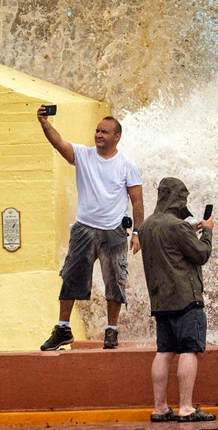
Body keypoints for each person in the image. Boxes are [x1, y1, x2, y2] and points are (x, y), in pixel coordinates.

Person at [38, 108, 144, 351]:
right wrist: (44, 123)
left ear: (117, 137)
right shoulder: (83, 155)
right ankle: (63, 328)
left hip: (114, 232)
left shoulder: (127, 165)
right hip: (84, 229)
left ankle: (112, 331)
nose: (98, 135)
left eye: (104, 132)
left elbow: (137, 201)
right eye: (97, 131)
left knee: (115, 280)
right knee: (71, 277)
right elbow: (59, 143)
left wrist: (137, 232)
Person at [139, 177, 216, 423]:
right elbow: (201, 254)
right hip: (186, 299)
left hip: (160, 301)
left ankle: (160, 408)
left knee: (163, 351)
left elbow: (168, 247)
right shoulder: (178, 227)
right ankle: (186, 408)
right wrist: (208, 232)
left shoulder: (147, 226)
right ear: (177, 198)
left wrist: (188, 231)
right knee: (188, 350)